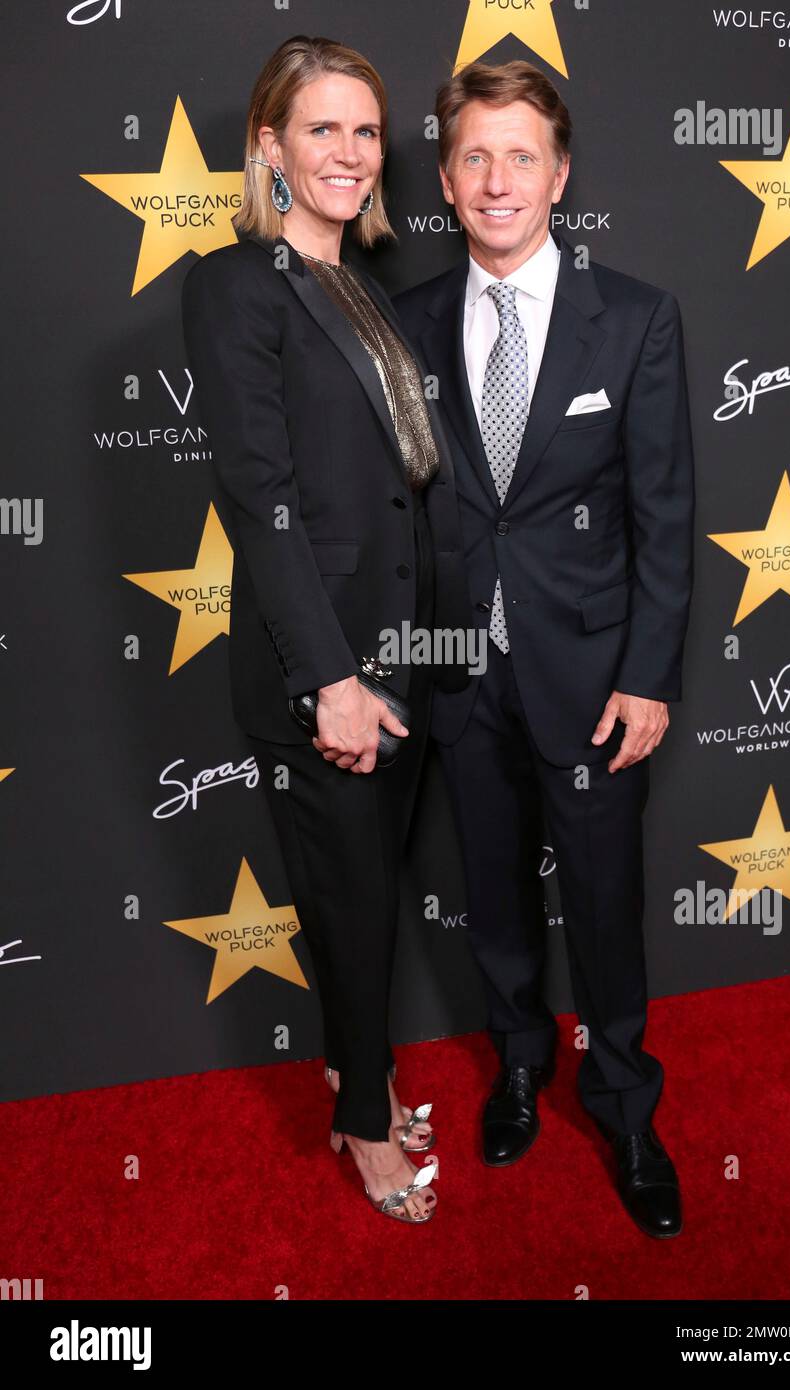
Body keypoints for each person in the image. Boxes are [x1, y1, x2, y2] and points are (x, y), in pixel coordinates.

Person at [395, 60, 695, 1238]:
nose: (496, 178)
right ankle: (518, 1063)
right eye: (474, 155)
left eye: (521, 155)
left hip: (592, 682)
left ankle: (623, 1104)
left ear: (560, 174)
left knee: (606, 906)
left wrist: (646, 674)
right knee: (492, 900)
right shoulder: (407, 322)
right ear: (445, 176)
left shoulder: (634, 317)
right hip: (461, 678)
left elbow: (662, 516)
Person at [181, 35, 471, 1224]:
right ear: (271, 149)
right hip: (335, 673)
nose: (350, 153)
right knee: (350, 903)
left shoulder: (361, 287)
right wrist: (331, 681)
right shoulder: (236, 283)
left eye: (365, 131)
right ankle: (362, 1127)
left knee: (369, 897)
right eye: (322, 130)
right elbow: (262, 497)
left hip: (404, 656)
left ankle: (363, 1071)